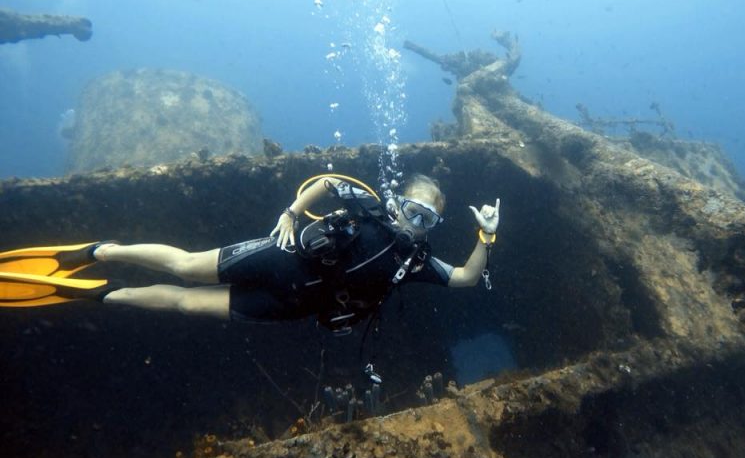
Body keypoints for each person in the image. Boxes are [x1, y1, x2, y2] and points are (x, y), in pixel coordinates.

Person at [0, 174, 500, 335]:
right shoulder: (368, 207)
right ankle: (100, 251)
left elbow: (464, 278)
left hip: (290, 305)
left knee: (186, 304)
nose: (416, 224)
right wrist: (290, 213)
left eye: (428, 220)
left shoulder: (415, 263)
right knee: (185, 265)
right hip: (279, 258)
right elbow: (328, 182)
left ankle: (98, 294)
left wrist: (486, 237)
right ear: (397, 203)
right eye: (413, 211)